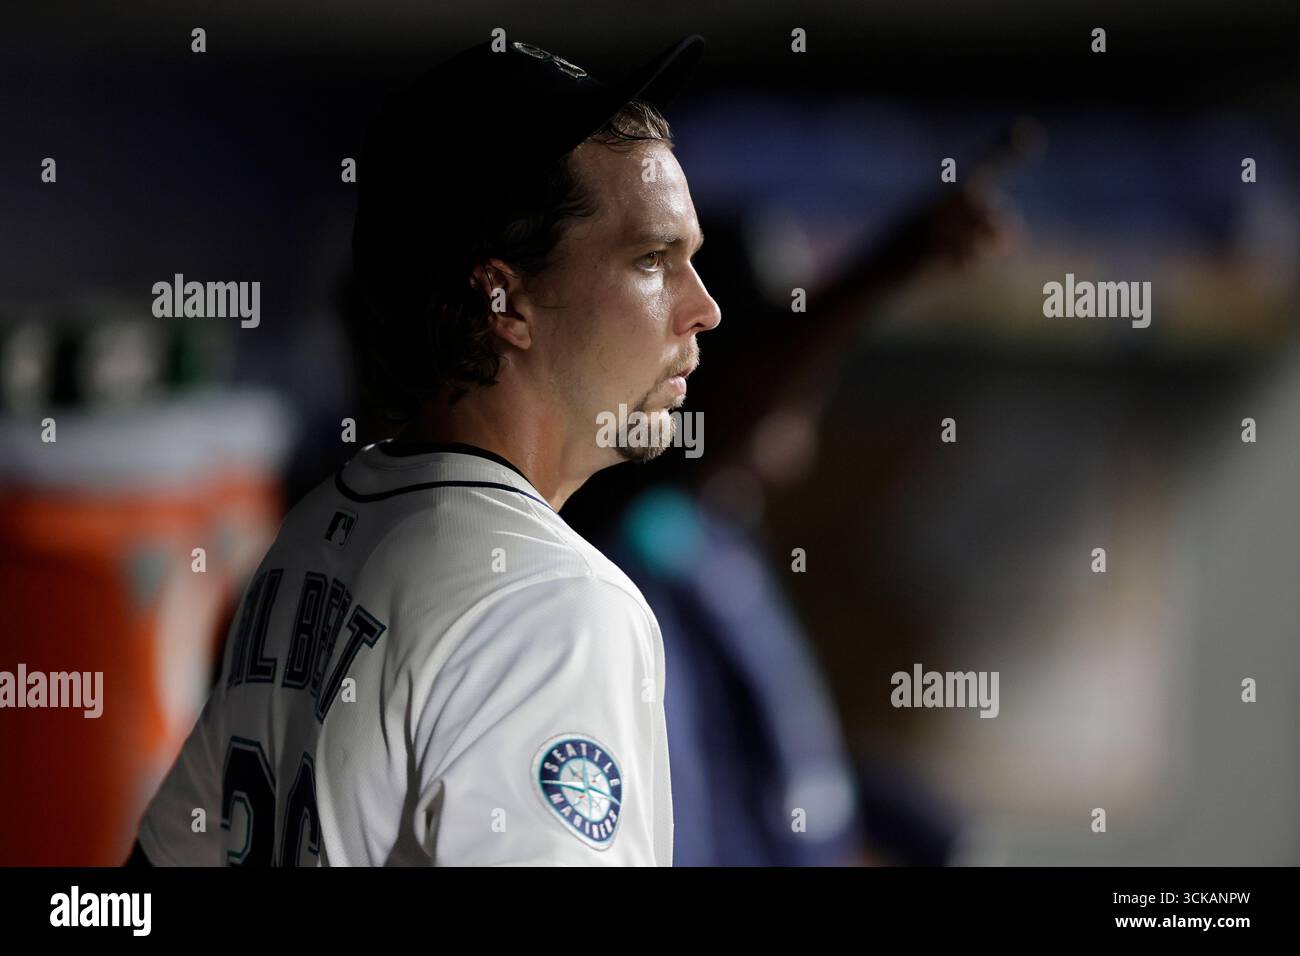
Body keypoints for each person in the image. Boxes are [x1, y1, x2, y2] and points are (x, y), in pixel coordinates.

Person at [127, 34, 719, 866]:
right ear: (503, 298)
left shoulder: (310, 537)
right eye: (653, 260)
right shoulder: (555, 607)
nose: (704, 309)